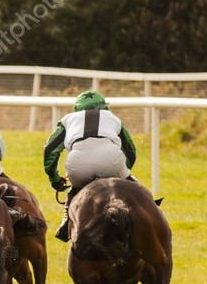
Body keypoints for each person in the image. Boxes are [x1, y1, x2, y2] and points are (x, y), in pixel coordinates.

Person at [43, 90, 137, 242]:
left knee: (74, 192)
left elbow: (50, 150)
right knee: (138, 190)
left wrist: (54, 179)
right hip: (112, 161)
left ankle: (66, 221)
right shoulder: (113, 117)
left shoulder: (67, 119)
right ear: (104, 107)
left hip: (78, 165)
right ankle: (152, 208)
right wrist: (125, 172)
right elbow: (131, 150)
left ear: (77, 108)